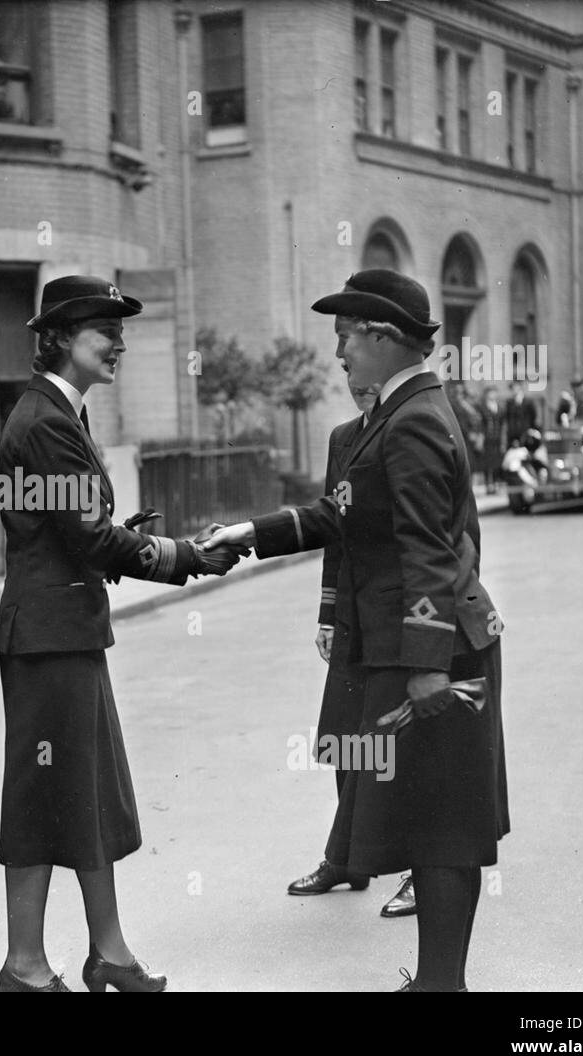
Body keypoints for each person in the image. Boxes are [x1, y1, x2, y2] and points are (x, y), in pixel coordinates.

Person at [208, 268, 509, 992]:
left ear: (384, 337)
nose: (339, 351)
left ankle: (442, 983)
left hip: (437, 655)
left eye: (347, 337)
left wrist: (430, 665)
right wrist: (252, 532)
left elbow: (429, 554)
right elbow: (334, 515)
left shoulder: (412, 424)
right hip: (422, 648)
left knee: (442, 828)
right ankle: (441, 980)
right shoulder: (393, 418)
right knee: (433, 822)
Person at [0, 275, 245, 992]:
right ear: (64, 338)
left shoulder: (57, 411)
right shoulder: (45, 419)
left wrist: (113, 539)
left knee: (85, 792)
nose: (120, 345)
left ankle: (109, 953)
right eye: (107, 332)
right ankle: (25, 965)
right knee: (44, 797)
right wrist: (184, 558)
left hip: (61, 632)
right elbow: (86, 537)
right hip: (49, 640)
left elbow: (73, 532)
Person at [290, 372, 416, 920]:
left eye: (369, 382)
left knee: (396, 743)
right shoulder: (343, 438)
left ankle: (418, 868)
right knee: (343, 738)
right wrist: (325, 612)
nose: (359, 387)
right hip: (351, 615)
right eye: (351, 380)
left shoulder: (407, 429)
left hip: (394, 616)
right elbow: (333, 531)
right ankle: (348, 860)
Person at [479, 387, 504, 493]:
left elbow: (502, 423)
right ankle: (488, 485)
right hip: (487, 438)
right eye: (491, 393)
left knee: (496, 462)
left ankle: (495, 483)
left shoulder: (499, 407)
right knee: (487, 462)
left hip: (497, 438)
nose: (493, 395)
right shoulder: (482, 407)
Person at [503, 382, 538, 449]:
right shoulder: (509, 403)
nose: (514, 390)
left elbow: (533, 416)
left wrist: (531, 429)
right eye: (513, 388)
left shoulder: (528, 402)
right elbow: (508, 418)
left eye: (516, 387)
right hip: (513, 434)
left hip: (526, 433)